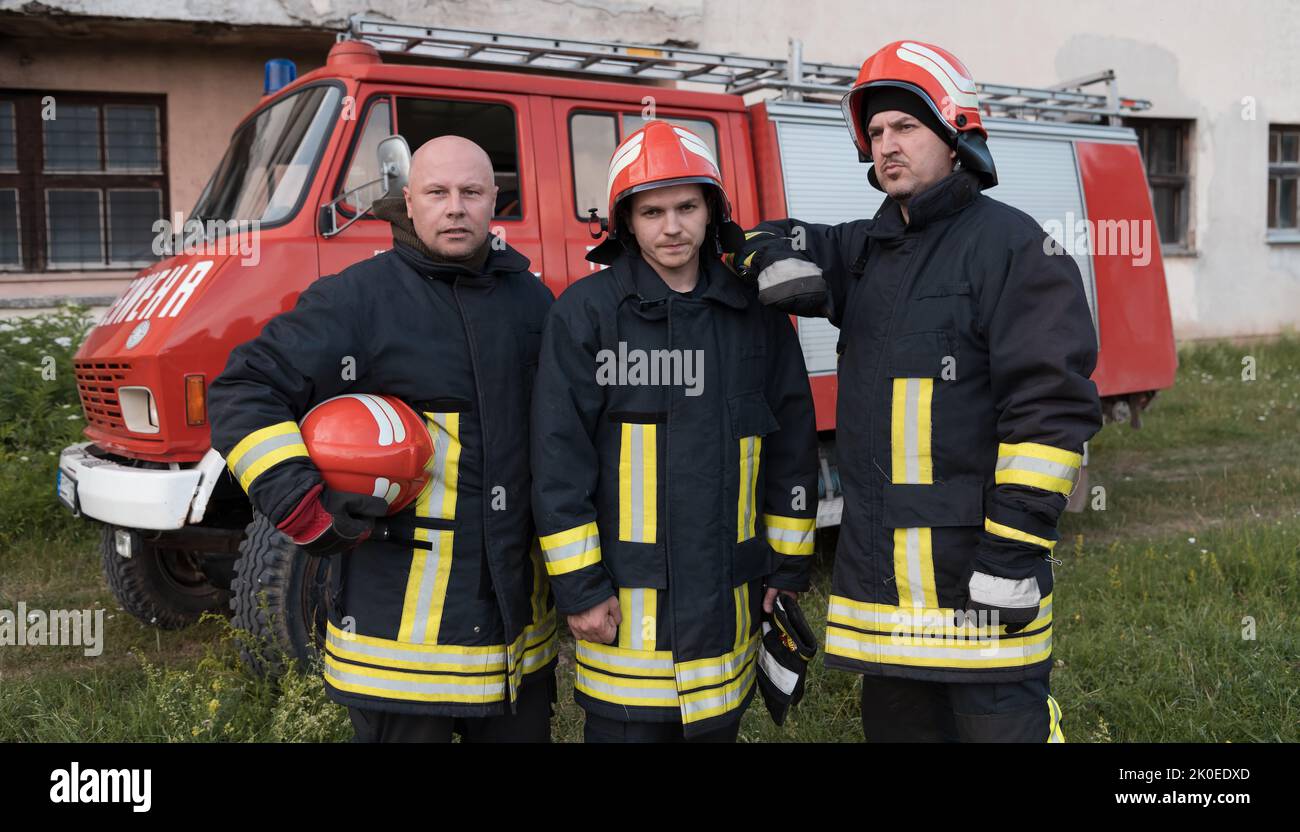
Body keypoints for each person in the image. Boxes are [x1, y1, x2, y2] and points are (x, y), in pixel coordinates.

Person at [727, 41, 1101, 742]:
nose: (886, 146)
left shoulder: (1014, 248)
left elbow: (1050, 415)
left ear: (955, 134)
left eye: (905, 126)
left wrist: (1012, 556)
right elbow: (766, 237)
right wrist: (765, 255)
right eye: (874, 133)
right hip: (887, 609)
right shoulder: (867, 248)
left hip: (979, 590)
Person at [209, 135, 558, 742]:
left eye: (471, 192)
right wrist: (299, 502)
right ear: (409, 201)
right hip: (400, 654)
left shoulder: (531, 301)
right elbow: (244, 388)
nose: (455, 207)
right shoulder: (357, 299)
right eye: (437, 193)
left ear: (494, 201)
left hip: (513, 649)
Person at [531, 120, 819, 742]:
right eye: (651, 210)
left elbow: (792, 449)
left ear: (711, 211)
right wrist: (580, 588)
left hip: (728, 609)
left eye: (687, 206)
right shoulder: (586, 315)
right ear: (625, 222)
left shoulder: (756, 316)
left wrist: (789, 571)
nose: (671, 227)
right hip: (628, 624)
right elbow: (559, 459)